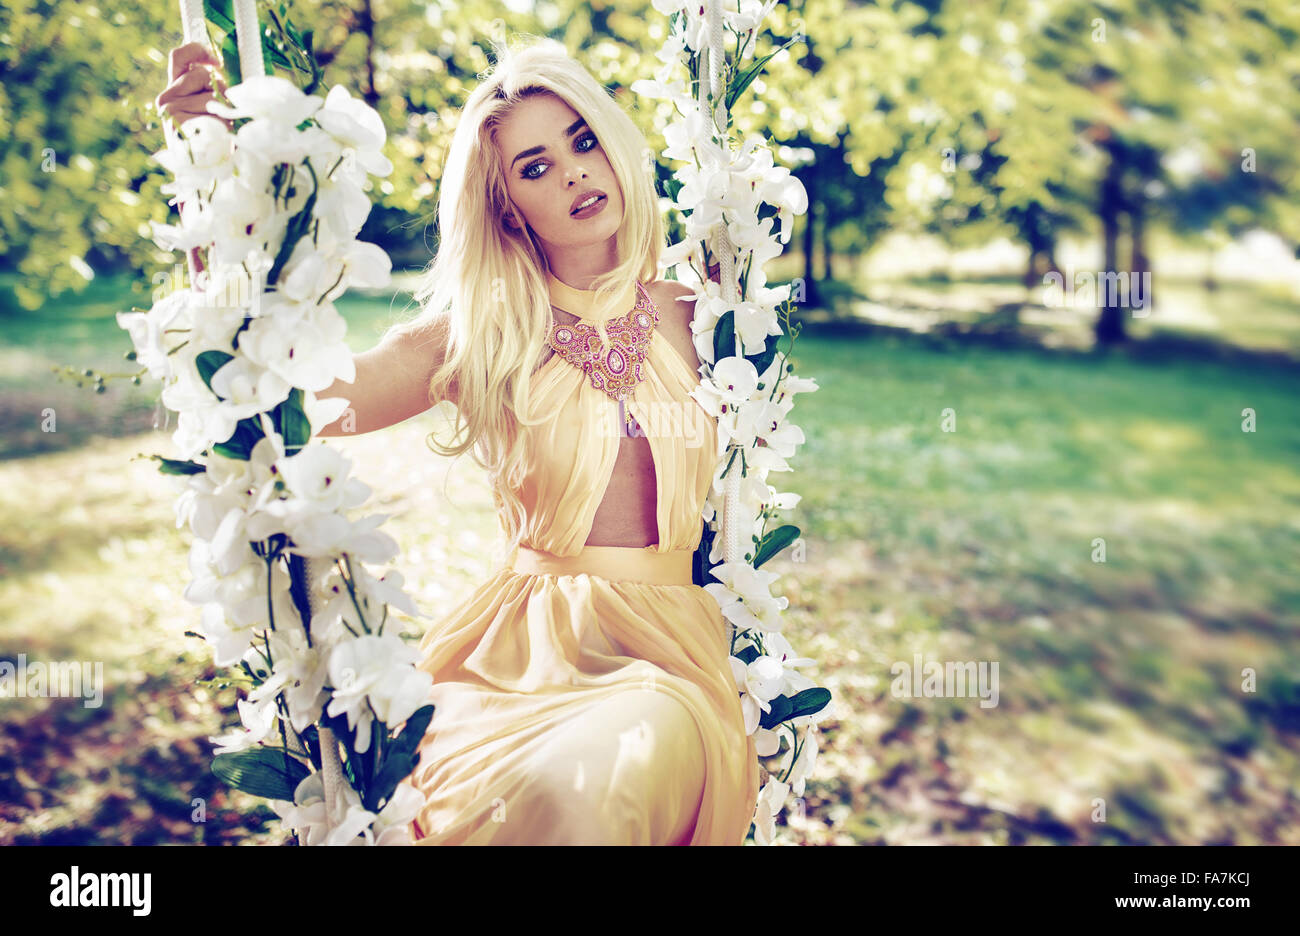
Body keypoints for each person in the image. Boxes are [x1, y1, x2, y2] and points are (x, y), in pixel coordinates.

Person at [158, 34, 759, 845]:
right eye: (535, 167)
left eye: (583, 141)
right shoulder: (482, 333)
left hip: (672, 652)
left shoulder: (710, 317)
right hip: (523, 654)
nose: (576, 171)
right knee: (535, 794)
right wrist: (216, 187)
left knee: (598, 775)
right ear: (506, 203)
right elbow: (277, 395)